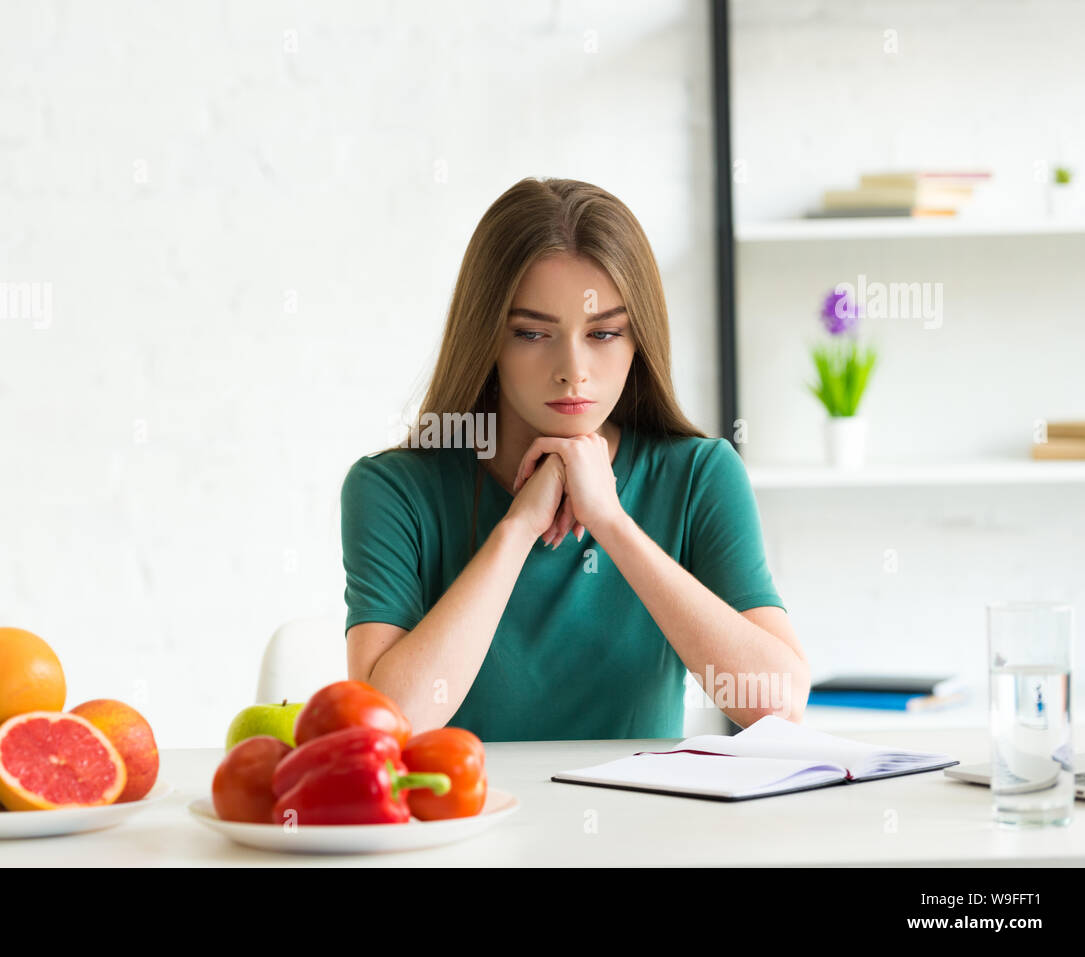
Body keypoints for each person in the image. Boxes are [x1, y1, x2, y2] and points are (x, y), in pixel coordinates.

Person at [339, 177, 809, 742]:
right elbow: (387, 726)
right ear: (487, 337)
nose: (573, 369)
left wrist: (610, 520)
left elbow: (779, 708)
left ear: (639, 340)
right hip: (465, 823)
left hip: (641, 824)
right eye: (534, 334)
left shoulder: (698, 475)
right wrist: (517, 528)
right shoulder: (393, 490)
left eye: (604, 332)